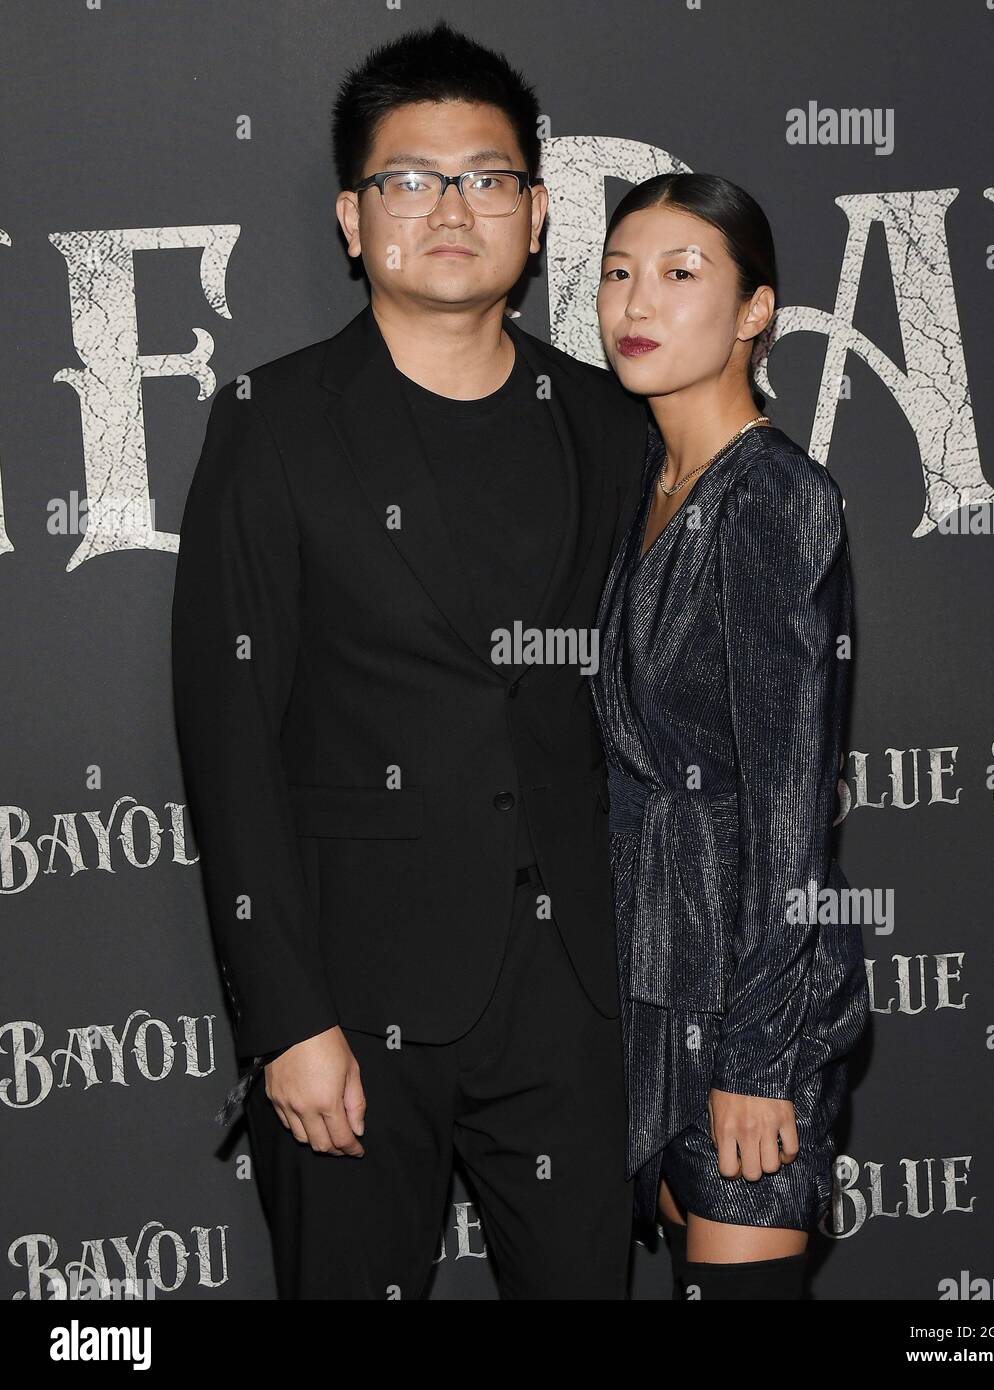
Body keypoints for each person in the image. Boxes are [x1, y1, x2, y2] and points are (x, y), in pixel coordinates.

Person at [170, 20, 648, 1299]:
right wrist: (285, 1020)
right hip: (351, 998)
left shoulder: (604, 422)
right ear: (350, 216)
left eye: (487, 177)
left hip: (574, 1004)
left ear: (536, 213)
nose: (451, 206)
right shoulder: (273, 425)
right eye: (409, 179)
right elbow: (228, 741)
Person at [588, 172, 870, 1300]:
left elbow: (792, 801)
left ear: (755, 311)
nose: (633, 301)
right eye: (615, 273)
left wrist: (756, 1058)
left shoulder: (770, 498)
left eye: (677, 272)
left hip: (744, 1001)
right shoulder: (646, 483)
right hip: (648, 985)